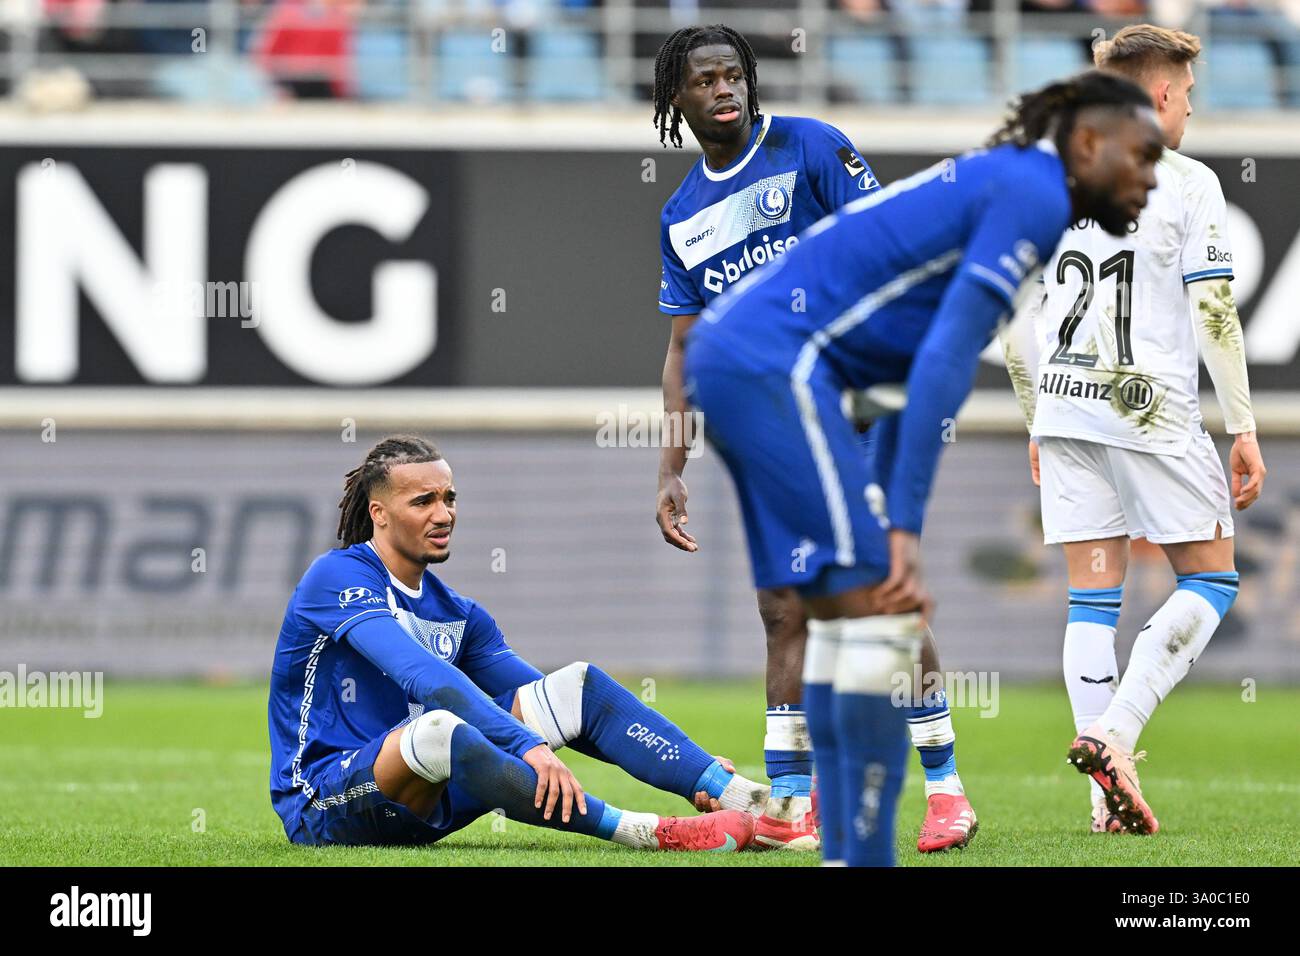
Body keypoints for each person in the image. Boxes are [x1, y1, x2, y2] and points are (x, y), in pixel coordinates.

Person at [684, 70, 1163, 865]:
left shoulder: (1003, 181)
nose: (1151, 174)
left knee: (840, 607)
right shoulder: (1036, 193)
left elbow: (906, 369)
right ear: (1087, 142)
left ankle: (836, 837)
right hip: (776, 365)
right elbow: (944, 360)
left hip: (740, 360)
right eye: (1142, 155)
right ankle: (869, 847)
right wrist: (902, 526)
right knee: (877, 601)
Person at [652, 22, 975, 854]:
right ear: (675, 98)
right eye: (706, 80)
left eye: (735, 76)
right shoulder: (682, 213)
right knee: (782, 605)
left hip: (854, 404)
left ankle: (946, 791)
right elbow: (684, 346)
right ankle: (795, 803)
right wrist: (671, 464)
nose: (725, 89)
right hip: (769, 425)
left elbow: (886, 250)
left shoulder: (812, 148)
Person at [1000, 25, 1266, 835]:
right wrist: (1244, 427)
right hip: (1149, 408)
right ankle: (1114, 736)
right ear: (1158, 95)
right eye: (1186, 94)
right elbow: (1214, 309)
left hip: (1068, 408)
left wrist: (1038, 425)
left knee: (1092, 598)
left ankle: (1100, 804)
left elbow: (1015, 328)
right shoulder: (1184, 181)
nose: (1190, 108)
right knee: (1213, 580)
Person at [268, 434, 765, 852]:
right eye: (423, 501)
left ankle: (749, 802)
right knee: (440, 725)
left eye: (449, 498)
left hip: (426, 801)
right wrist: (529, 747)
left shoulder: (459, 612)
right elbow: (425, 676)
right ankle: (649, 832)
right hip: (325, 801)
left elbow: (561, 706)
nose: (442, 514)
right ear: (378, 512)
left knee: (576, 685)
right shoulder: (337, 576)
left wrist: (691, 768)